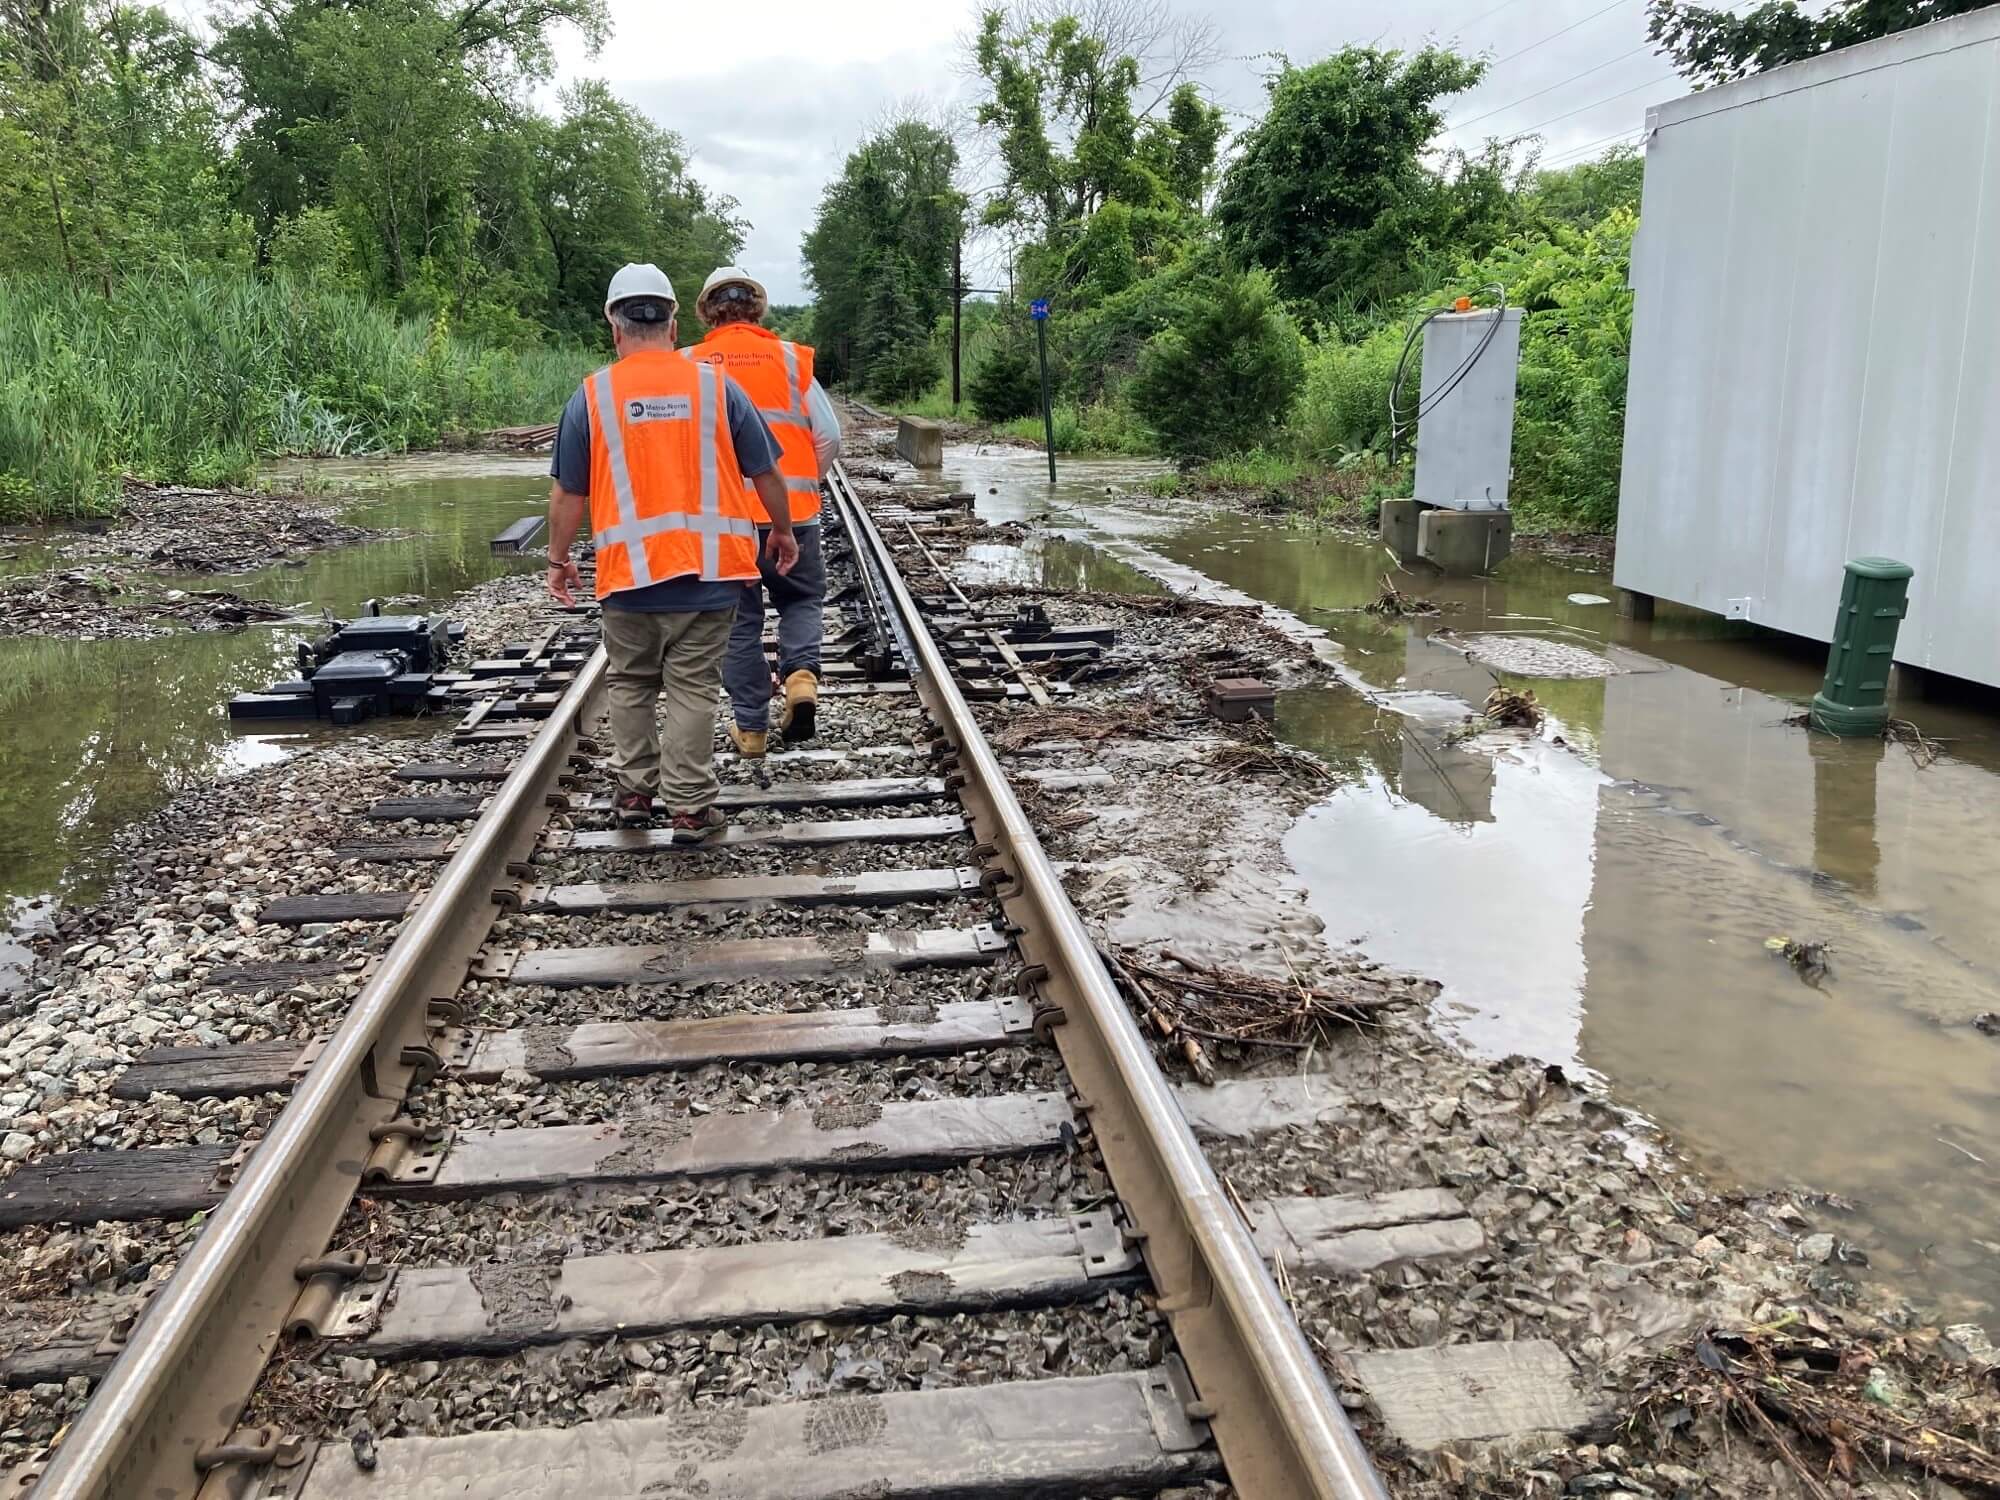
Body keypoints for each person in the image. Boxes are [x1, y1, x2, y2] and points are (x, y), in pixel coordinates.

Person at [545, 263, 798, 841]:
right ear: (674, 324)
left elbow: (568, 493)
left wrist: (558, 561)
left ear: (615, 327)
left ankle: (635, 794)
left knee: (631, 682)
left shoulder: (592, 396)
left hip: (628, 578)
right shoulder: (716, 388)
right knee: (693, 687)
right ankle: (690, 808)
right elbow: (766, 472)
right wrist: (782, 531)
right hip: (709, 576)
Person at [686, 264, 842, 758]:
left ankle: (751, 729)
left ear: (706, 311)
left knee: (738, 621)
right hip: (790, 515)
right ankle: (800, 679)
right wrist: (802, 485)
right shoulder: (791, 360)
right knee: (801, 600)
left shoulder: (689, 364)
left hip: (722, 521)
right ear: (758, 308)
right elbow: (829, 436)